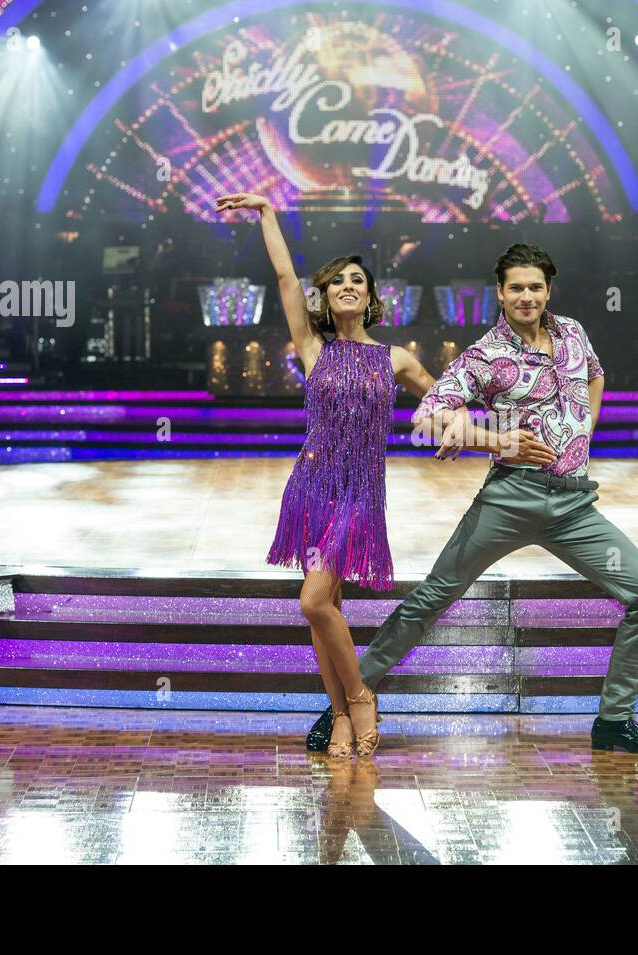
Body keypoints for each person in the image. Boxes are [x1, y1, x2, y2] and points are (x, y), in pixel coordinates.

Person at [306, 242, 638, 754]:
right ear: (500, 293)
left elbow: (595, 373)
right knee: (431, 599)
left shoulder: (573, 333)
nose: (527, 297)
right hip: (509, 500)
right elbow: (426, 416)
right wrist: (489, 436)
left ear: (548, 291)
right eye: (517, 288)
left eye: (536, 287)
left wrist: (584, 428)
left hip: (573, 506)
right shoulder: (484, 356)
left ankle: (613, 721)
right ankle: (344, 701)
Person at [215, 191, 439, 759]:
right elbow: (287, 279)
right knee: (327, 606)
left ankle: (360, 697)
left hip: (360, 493)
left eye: (357, 281)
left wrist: (465, 430)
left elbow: (445, 403)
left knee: (313, 603)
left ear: (370, 298)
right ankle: (340, 715)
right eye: (337, 280)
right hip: (312, 489)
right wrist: (268, 214)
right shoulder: (313, 347)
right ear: (328, 296)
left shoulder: (396, 359)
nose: (346, 286)